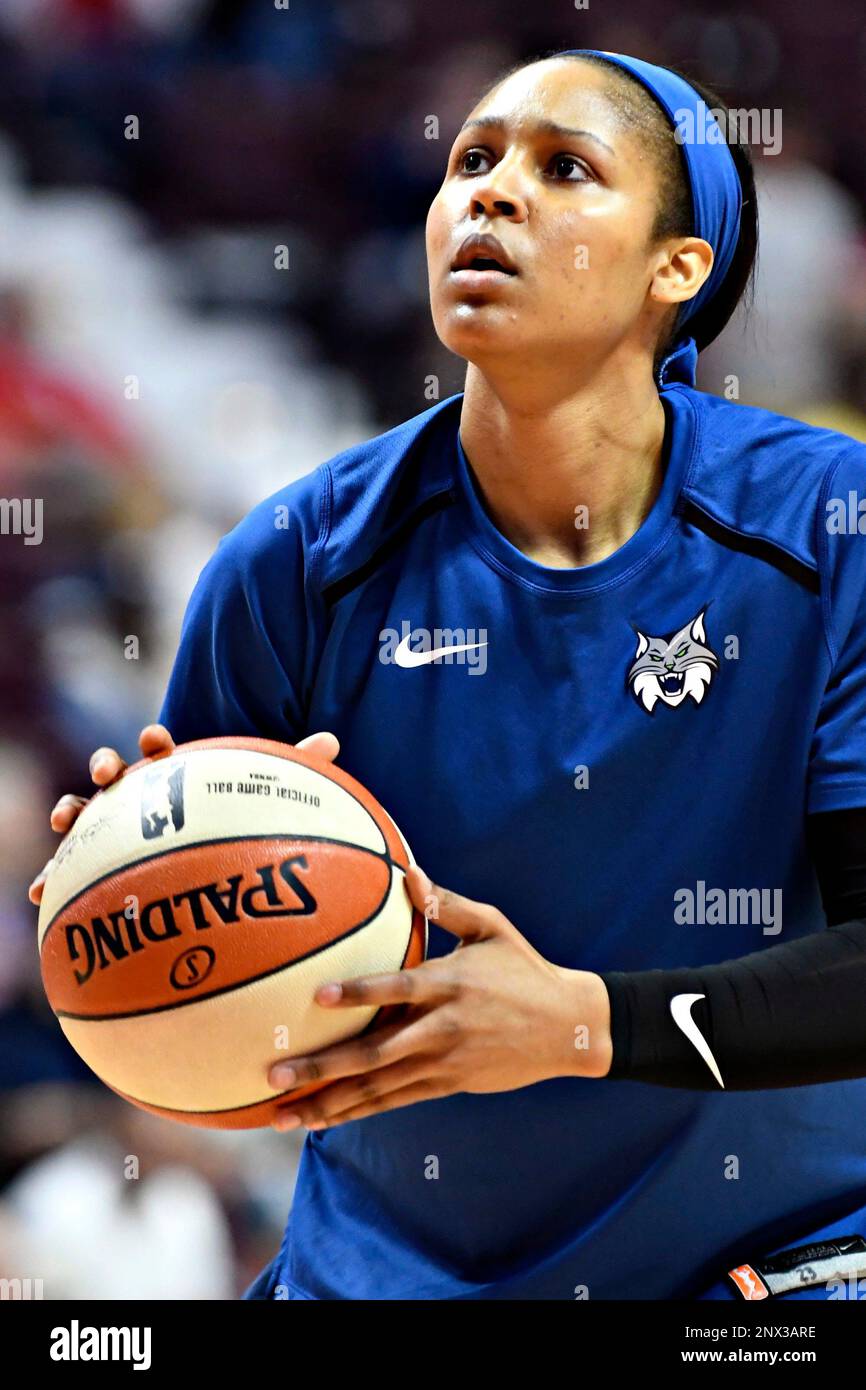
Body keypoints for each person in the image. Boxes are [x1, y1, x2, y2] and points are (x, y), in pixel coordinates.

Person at [30, 49, 866, 1301]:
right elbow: (210, 1040)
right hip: (384, 1276)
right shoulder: (292, 560)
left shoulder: (824, 527)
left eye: (561, 168)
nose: (490, 194)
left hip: (760, 1274)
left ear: (672, 272)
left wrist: (579, 1023)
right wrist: (130, 895)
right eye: (470, 160)